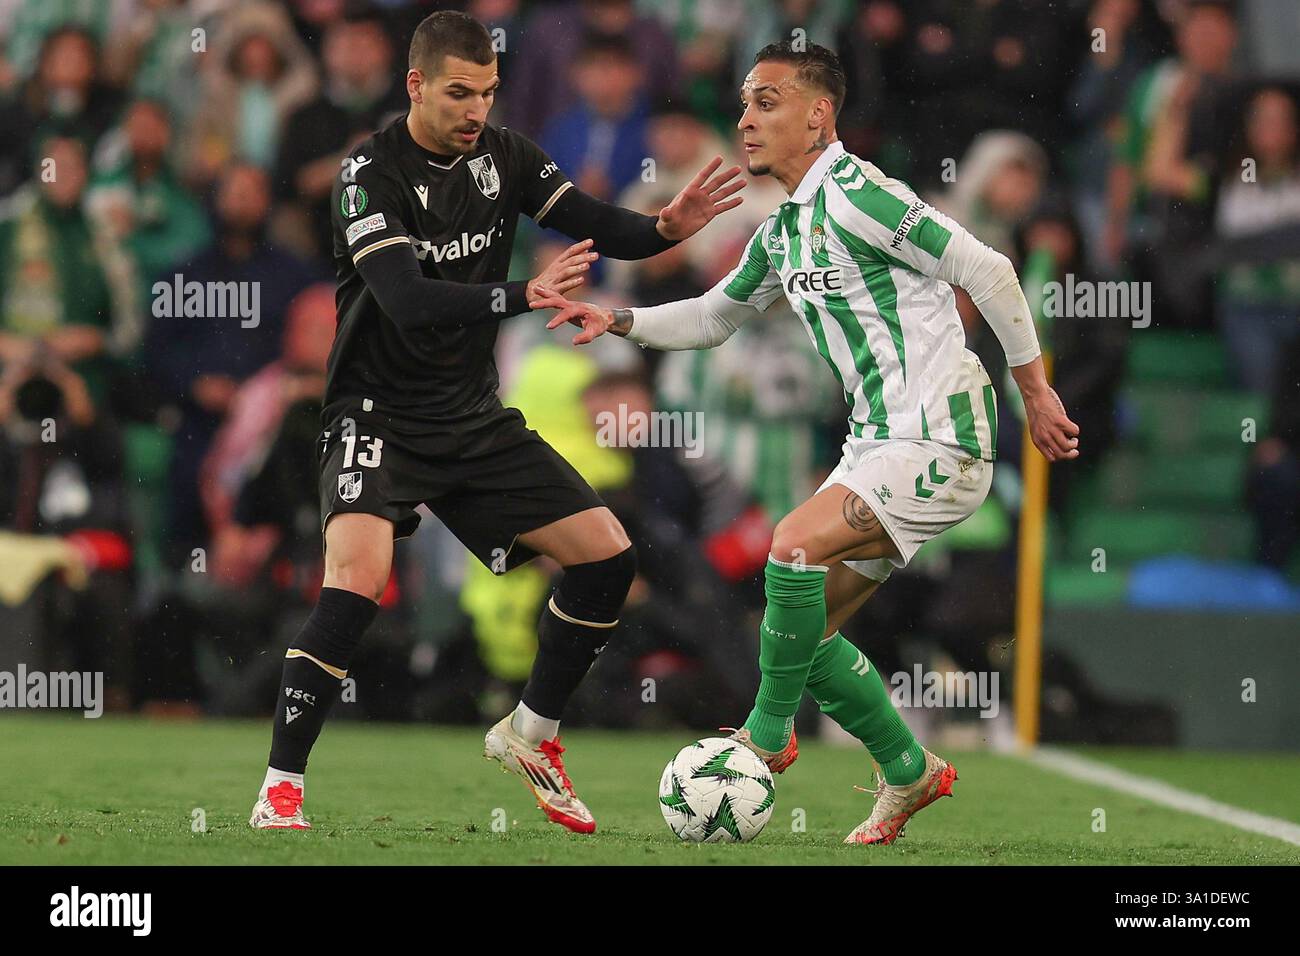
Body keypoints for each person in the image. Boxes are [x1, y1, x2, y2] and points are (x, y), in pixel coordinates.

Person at [533, 40, 1080, 845]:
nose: (746, 120)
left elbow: (989, 267)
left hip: (939, 436)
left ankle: (762, 737)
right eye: (746, 102)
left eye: (767, 102)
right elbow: (716, 315)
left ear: (819, 115)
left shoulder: (860, 195)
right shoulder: (786, 226)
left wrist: (1033, 390)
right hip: (877, 446)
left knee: (788, 548)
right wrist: (617, 319)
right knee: (804, 637)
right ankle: (908, 772)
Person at [249, 10, 745, 834]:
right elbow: (406, 302)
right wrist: (523, 294)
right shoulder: (367, 174)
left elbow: (594, 220)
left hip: (472, 418)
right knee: (358, 580)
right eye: (457, 92)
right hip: (378, 414)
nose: (475, 108)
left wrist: (663, 228)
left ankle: (531, 734)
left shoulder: (505, 154)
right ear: (415, 85)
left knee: (608, 560)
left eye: (485, 92)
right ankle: (281, 786)